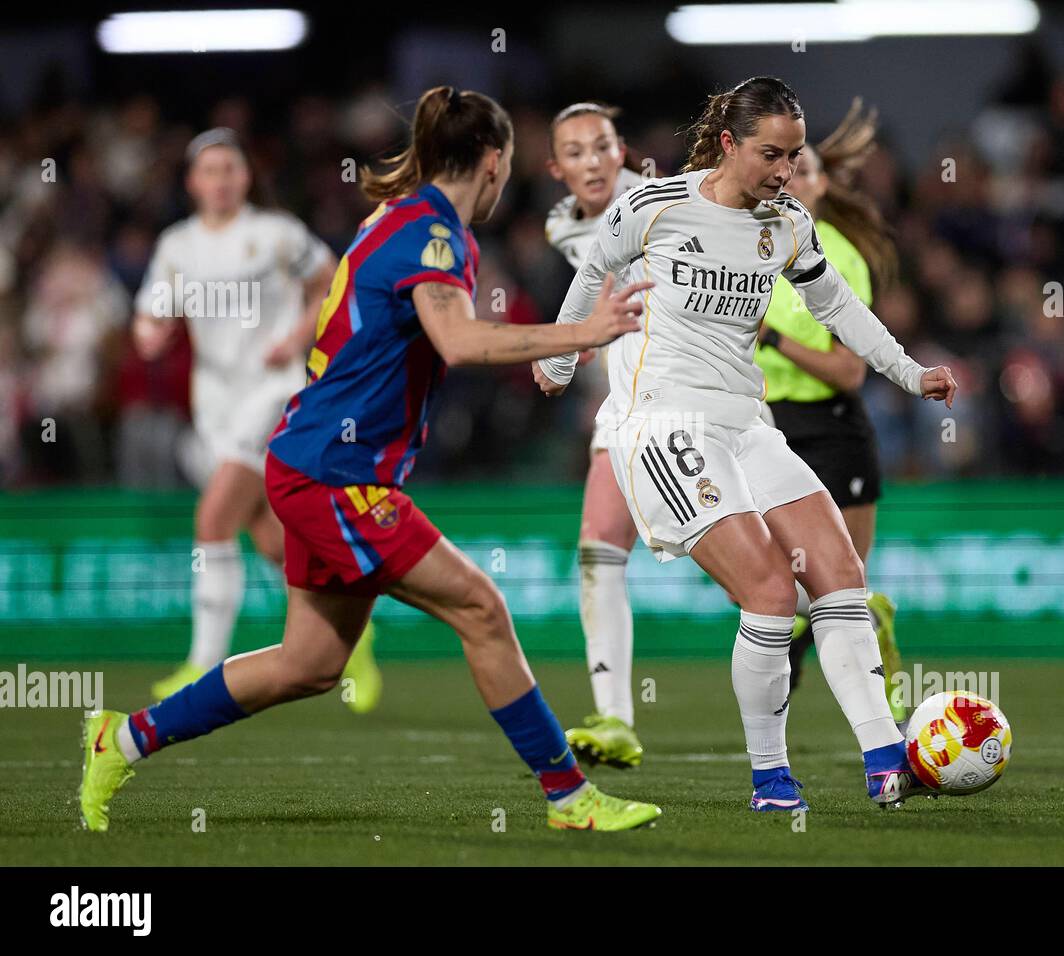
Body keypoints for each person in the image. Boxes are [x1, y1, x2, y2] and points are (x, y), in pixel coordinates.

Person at [80, 85, 661, 833]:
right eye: (508, 163)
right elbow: (459, 341)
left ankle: (118, 739)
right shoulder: (437, 236)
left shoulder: (403, 215)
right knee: (482, 607)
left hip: (315, 461)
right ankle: (569, 796)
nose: (506, 178)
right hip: (334, 475)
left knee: (308, 665)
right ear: (491, 161)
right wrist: (581, 332)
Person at [533, 77, 956, 811]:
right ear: (727, 144)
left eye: (793, 157)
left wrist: (912, 374)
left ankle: (887, 759)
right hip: (664, 426)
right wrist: (564, 355)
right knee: (767, 590)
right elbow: (595, 271)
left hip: (748, 424)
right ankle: (771, 778)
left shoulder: (788, 222)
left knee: (839, 572)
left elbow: (841, 310)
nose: (785, 173)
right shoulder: (654, 204)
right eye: (771, 155)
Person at [133, 128, 382, 712]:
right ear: (192, 181)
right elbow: (152, 311)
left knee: (213, 518)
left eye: (231, 168)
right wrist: (150, 331)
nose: (220, 180)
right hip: (213, 406)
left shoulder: (276, 233)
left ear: (246, 177)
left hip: (273, 394)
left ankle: (202, 666)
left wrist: (296, 336)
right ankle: (359, 632)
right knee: (272, 537)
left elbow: (332, 280)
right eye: (209, 170)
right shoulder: (176, 245)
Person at [753, 100, 906, 722]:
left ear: (819, 185)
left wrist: (771, 339)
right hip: (767, 431)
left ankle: (873, 645)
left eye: (805, 168)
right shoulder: (751, 245)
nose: (792, 175)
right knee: (780, 588)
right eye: (785, 164)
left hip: (832, 431)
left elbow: (847, 371)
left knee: (836, 588)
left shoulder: (837, 257)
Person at [544, 102, 648, 767]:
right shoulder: (561, 226)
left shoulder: (660, 204)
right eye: (574, 151)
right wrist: (583, 341)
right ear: (556, 168)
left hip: (697, 406)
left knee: (756, 587)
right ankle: (616, 721)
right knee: (597, 549)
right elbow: (599, 299)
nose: (590, 160)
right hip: (628, 406)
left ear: (622, 153)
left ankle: (846, 610)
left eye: (601, 146)